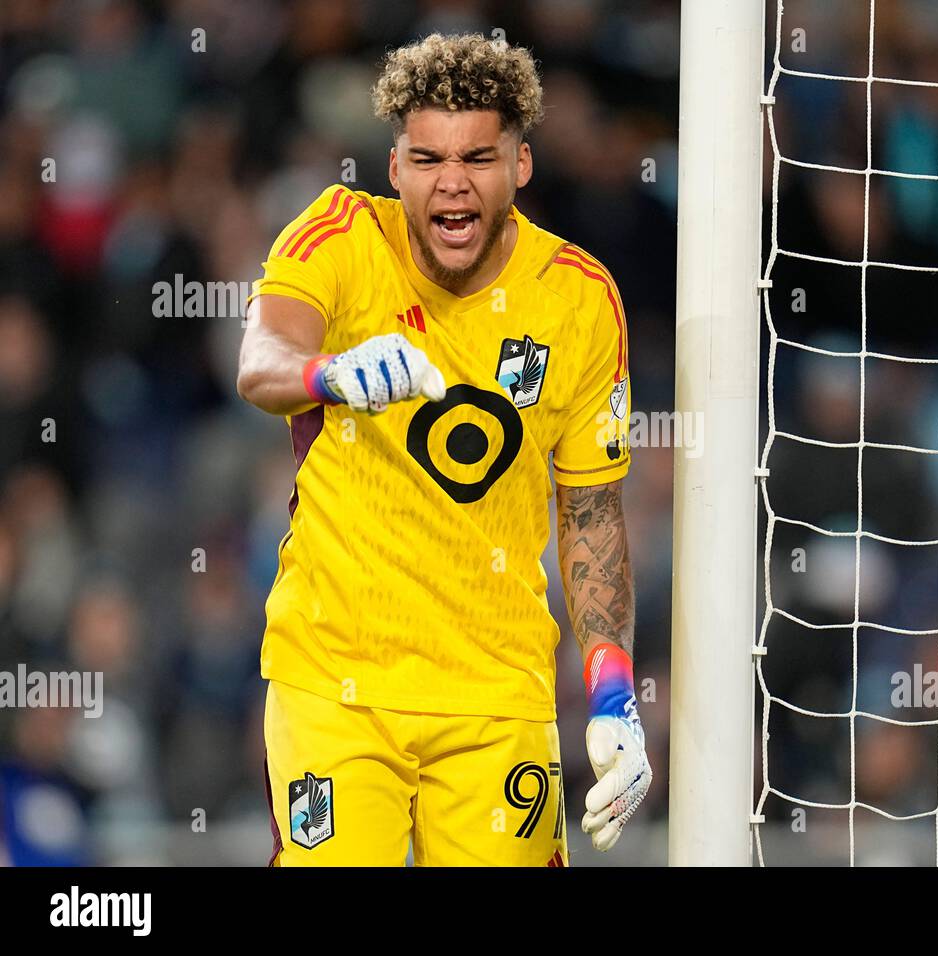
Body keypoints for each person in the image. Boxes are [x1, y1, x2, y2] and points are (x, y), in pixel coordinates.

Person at [235, 32, 649, 866]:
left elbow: (591, 511)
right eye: (427, 158)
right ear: (395, 168)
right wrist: (331, 372)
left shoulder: (577, 298)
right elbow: (261, 362)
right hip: (337, 684)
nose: (451, 181)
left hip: (496, 696)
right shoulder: (341, 237)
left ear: (521, 165)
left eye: (478, 157)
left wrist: (612, 692)